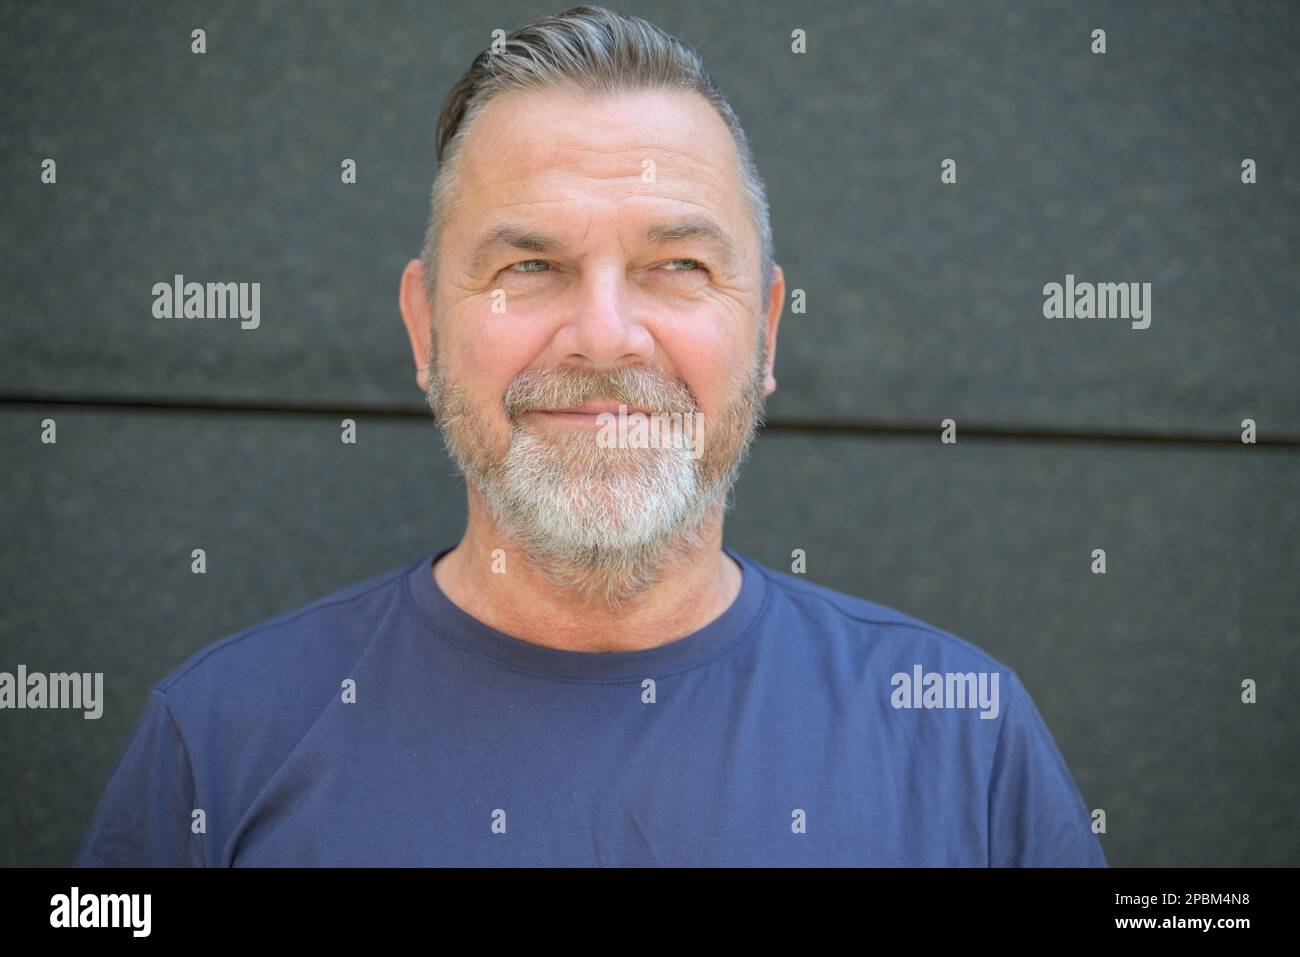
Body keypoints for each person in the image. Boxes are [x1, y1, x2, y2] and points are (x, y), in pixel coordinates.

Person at [75, 5, 1106, 867]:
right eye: (529, 268)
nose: (605, 334)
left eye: (678, 267)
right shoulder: (216, 742)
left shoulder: (961, 738)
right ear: (426, 327)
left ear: (765, 328)